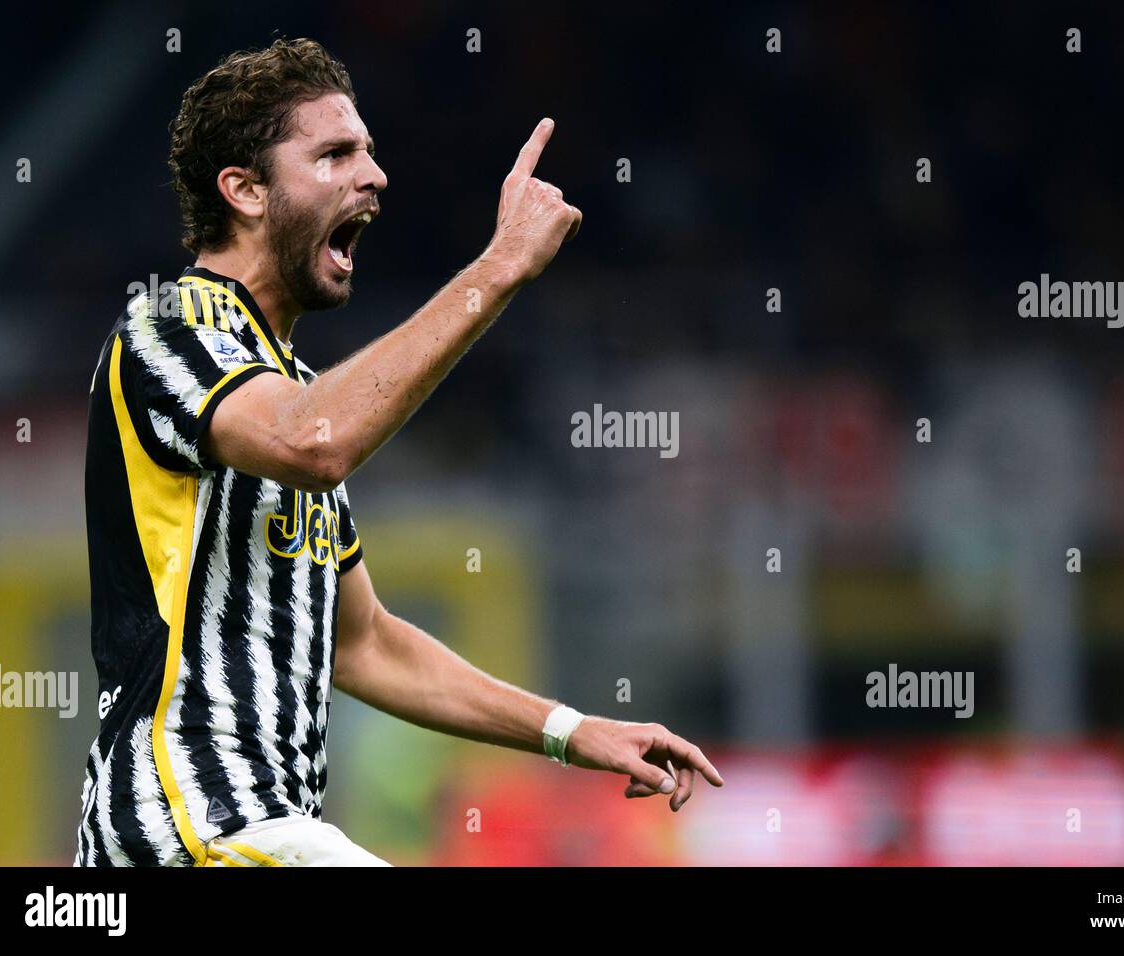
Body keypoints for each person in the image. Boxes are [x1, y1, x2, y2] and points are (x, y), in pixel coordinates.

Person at [75, 37, 721, 867]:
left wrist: (573, 730)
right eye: (336, 153)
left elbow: (364, 643)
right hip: (190, 824)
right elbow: (316, 442)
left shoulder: (297, 388)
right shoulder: (168, 326)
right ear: (243, 190)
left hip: (260, 832)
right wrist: (500, 266)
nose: (374, 175)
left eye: (371, 153)